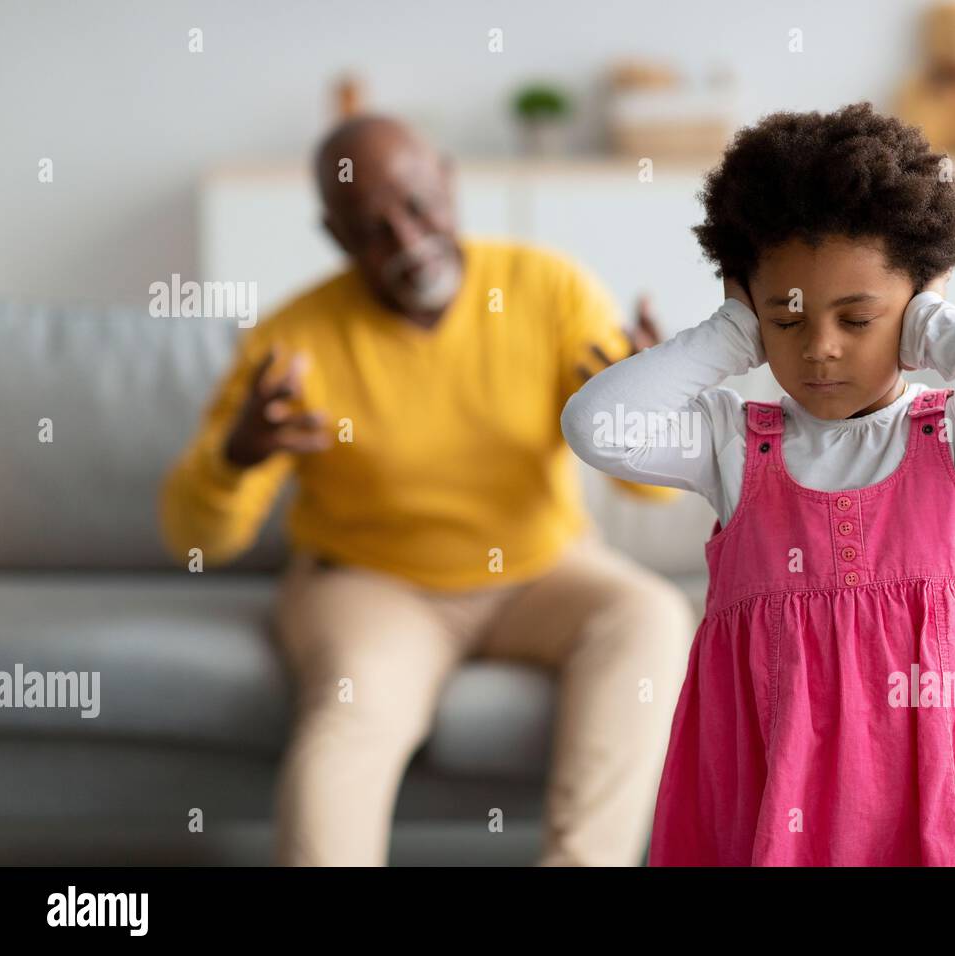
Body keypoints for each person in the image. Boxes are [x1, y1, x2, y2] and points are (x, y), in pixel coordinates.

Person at [561, 101, 955, 865]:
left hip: (939, 776)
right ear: (749, 304)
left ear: (921, 299)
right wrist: (730, 330)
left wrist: (937, 324)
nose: (819, 348)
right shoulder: (731, 442)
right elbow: (597, 425)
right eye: (786, 321)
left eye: (857, 320)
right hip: (774, 786)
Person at [160, 114, 695, 867]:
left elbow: (653, 495)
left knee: (651, 613)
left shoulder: (547, 287)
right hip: (373, 586)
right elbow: (195, 541)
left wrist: (639, 417)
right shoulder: (295, 341)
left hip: (542, 569)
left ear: (447, 180)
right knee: (351, 712)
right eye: (373, 229)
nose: (408, 241)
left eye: (417, 206)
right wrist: (235, 458)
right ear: (335, 235)